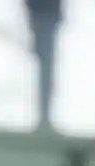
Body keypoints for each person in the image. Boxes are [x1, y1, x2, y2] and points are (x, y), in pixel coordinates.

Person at [24, 0, 64, 130]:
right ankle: (44, 117)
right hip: (43, 15)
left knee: (46, 67)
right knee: (46, 67)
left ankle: (44, 117)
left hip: (44, 15)